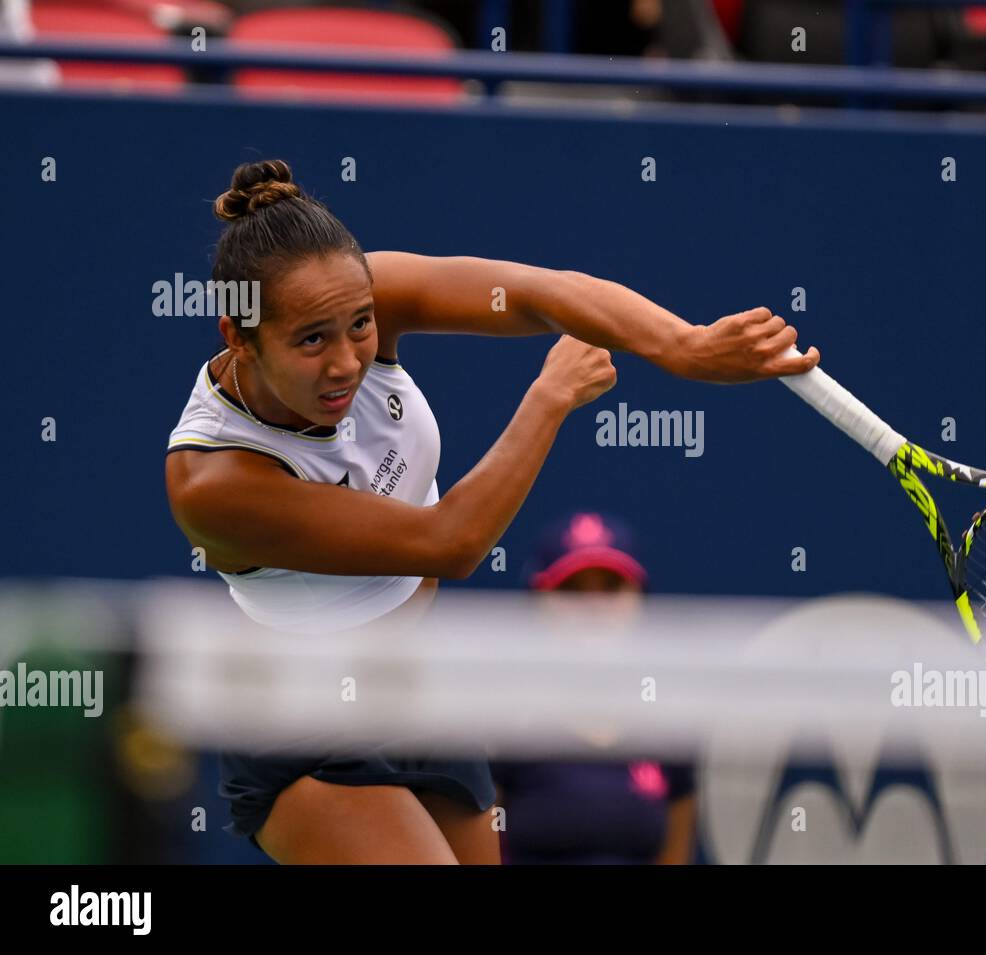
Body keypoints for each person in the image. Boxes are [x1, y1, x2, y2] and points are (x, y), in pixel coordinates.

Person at [163, 158, 818, 864]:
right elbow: (451, 541)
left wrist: (682, 346)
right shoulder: (213, 479)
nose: (348, 360)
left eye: (360, 326)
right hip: (303, 727)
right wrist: (550, 398)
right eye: (312, 340)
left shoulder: (362, 291)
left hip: (418, 693)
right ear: (238, 334)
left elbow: (543, 292)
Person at [494, 512, 696, 864]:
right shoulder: (498, 726)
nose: (593, 606)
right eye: (572, 590)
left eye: (611, 588)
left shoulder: (670, 727)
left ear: (640, 600)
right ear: (538, 603)